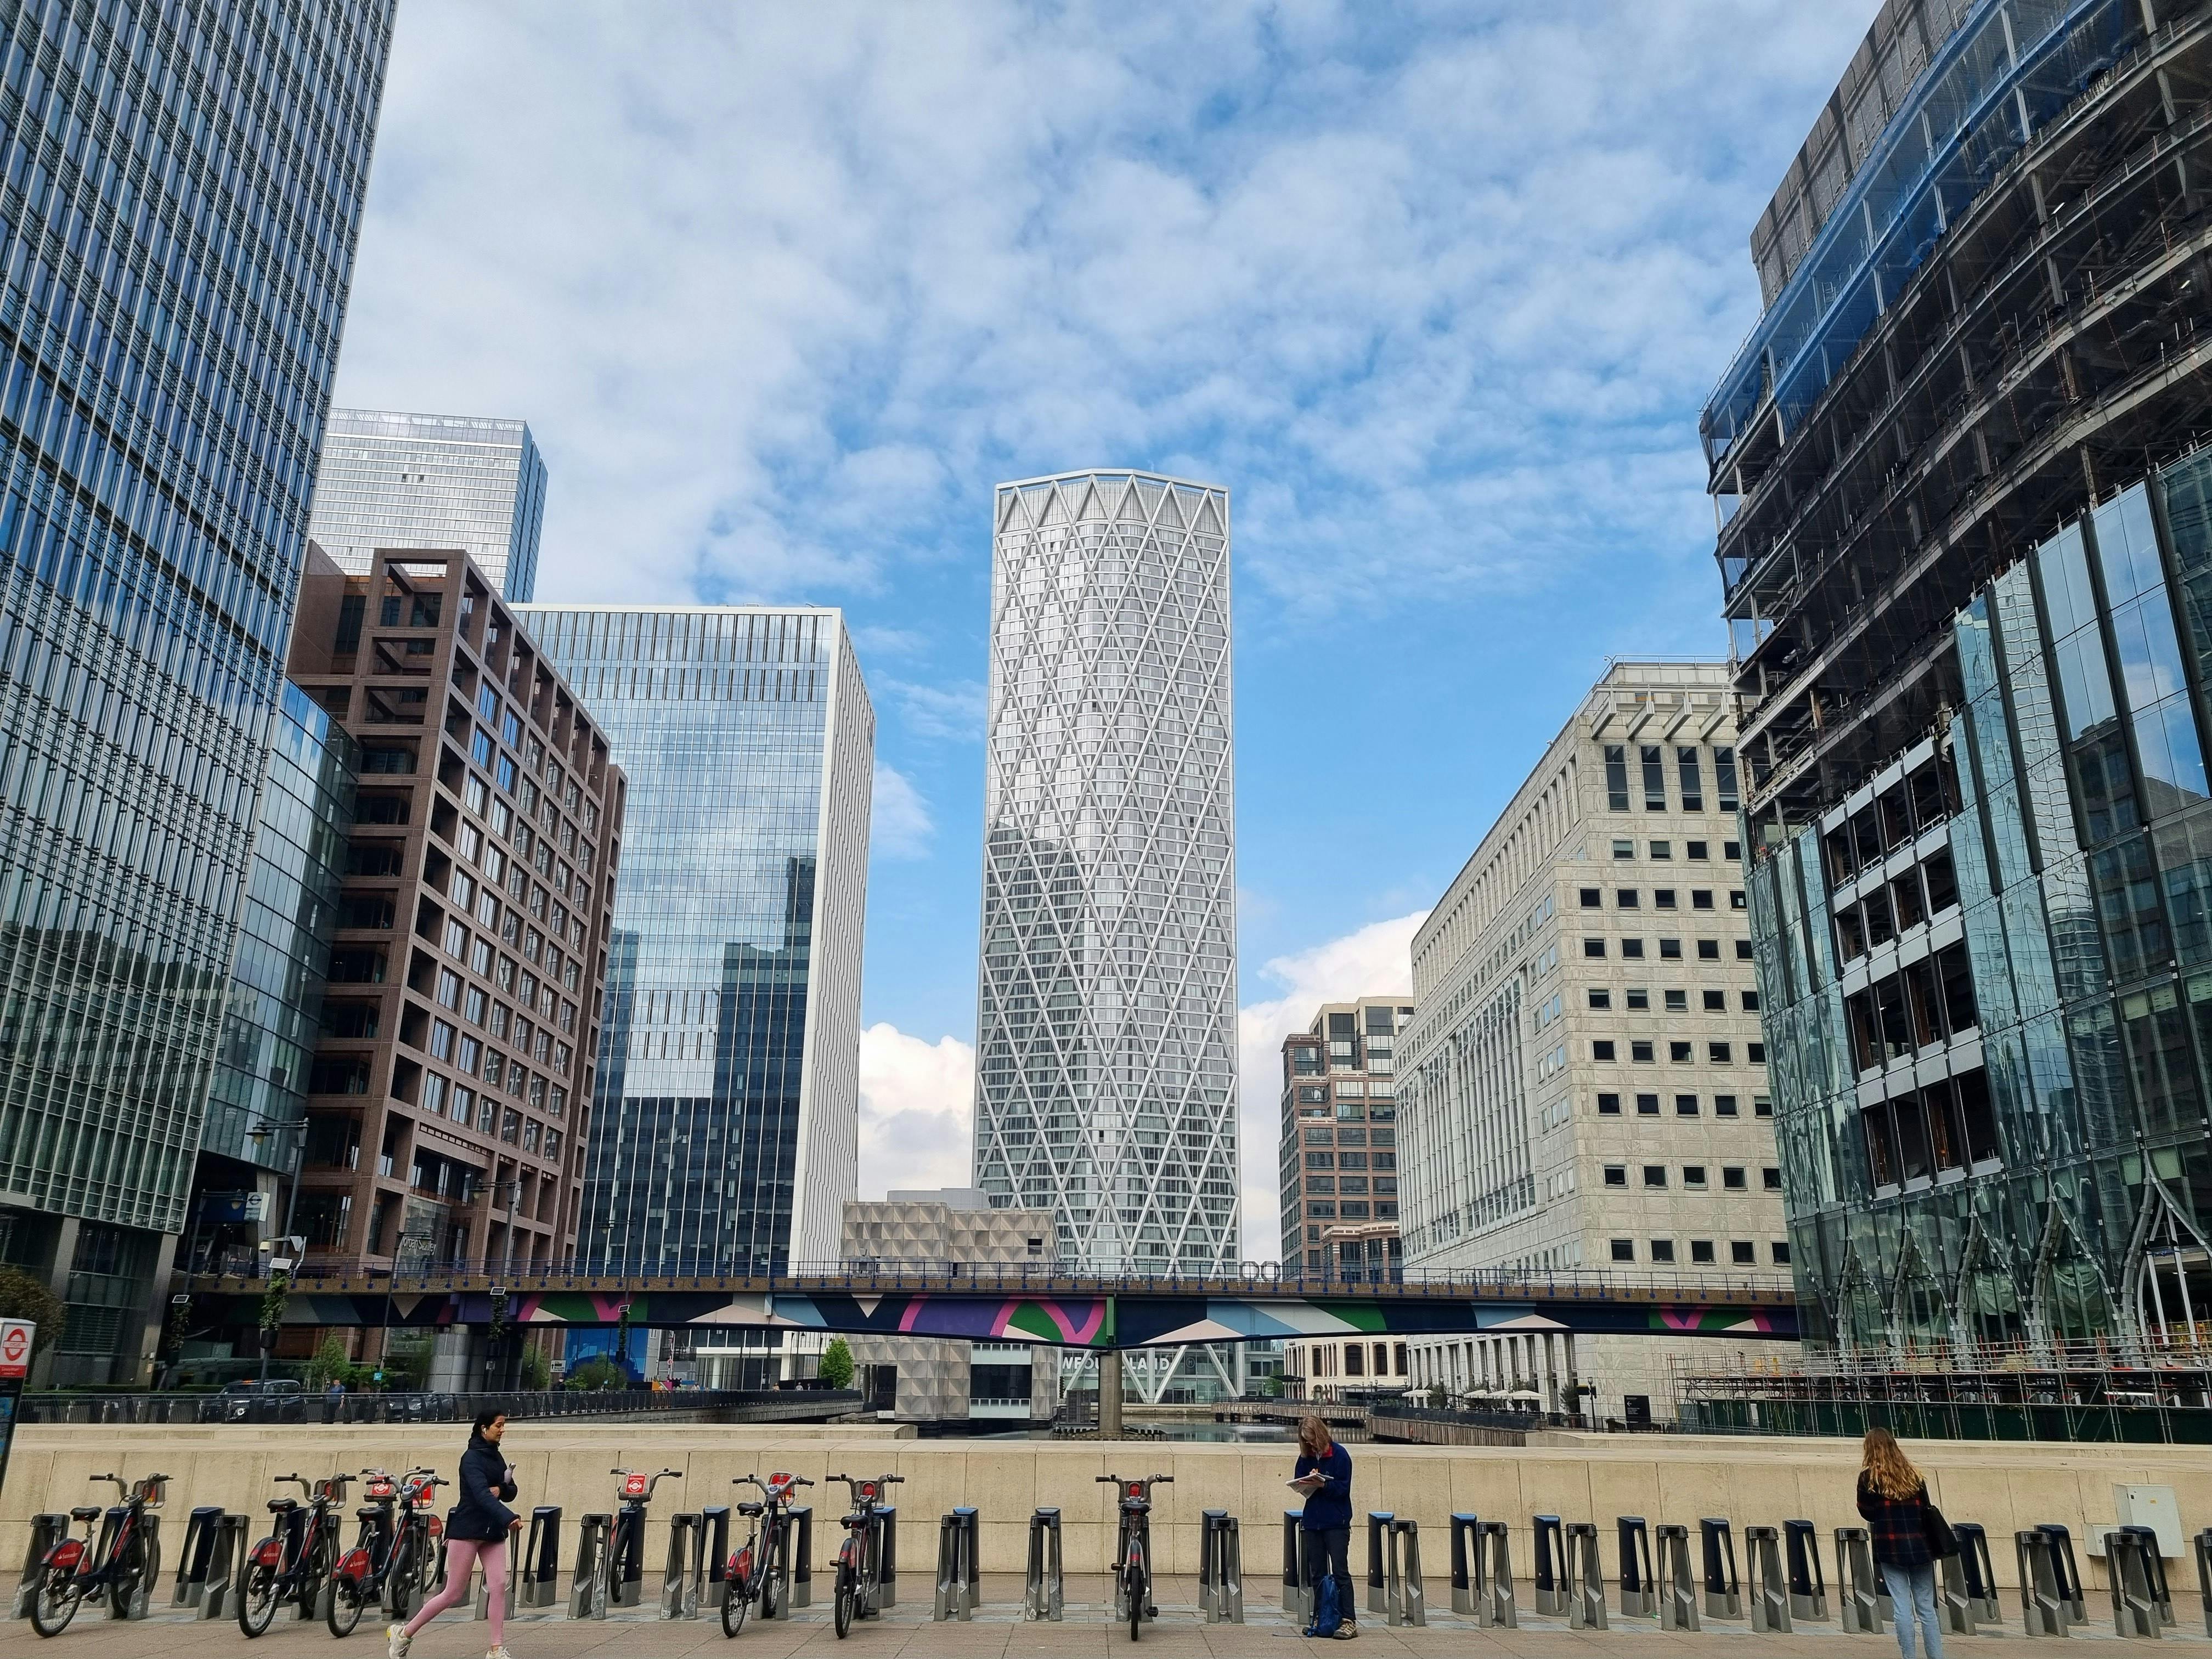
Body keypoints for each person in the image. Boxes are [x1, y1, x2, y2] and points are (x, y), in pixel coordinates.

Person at [390, 1409, 520, 1659]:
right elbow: (481, 1495)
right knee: (453, 1592)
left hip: (492, 1531)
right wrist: (509, 1516)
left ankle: (496, 1649)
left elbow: (509, 1490)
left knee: (499, 1585)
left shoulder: (497, 1456)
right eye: (499, 1426)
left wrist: (502, 1488)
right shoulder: (470, 1459)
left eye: (504, 1425)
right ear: (484, 1428)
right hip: (467, 1530)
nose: (503, 1430)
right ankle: (404, 1634)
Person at [1856, 1427, 1944, 1659]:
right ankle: (1936, 1656)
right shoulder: (1914, 1475)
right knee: (1927, 1609)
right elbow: (1926, 1508)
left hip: (1891, 1547)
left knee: (1902, 1607)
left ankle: (1909, 1657)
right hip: (1921, 1547)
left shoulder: (1868, 1478)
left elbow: (1867, 1512)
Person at [1293, 1415, 1355, 1640]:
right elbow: (1298, 1480)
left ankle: (1348, 1620)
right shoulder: (1306, 1457)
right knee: (1317, 1574)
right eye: (1305, 1442)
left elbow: (1343, 1488)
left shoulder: (1339, 1455)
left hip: (1336, 1522)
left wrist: (1323, 1484)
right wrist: (1306, 1482)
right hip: (1313, 1521)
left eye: (1311, 1440)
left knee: (1340, 1572)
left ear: (1320, 1435)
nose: (1309, 1445)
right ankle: (1321, 1617)